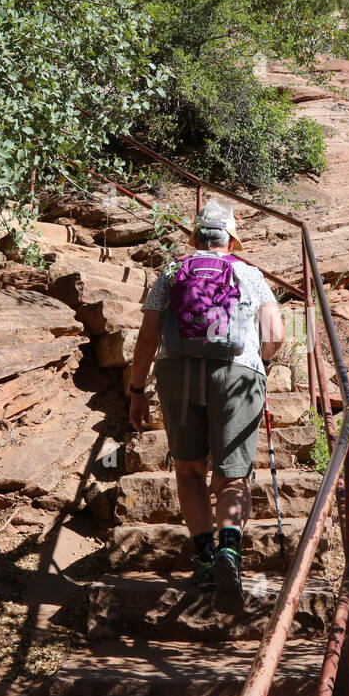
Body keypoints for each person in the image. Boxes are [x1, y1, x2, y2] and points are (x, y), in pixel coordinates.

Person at [127, 199, 284, 614]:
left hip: (177, 372)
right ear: (232, 240)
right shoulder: (249, 274)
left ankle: (204, 559)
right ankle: (229, 553)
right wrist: (262, 364)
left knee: (190, 470)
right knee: (233, 475)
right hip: (238, 374)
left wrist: (136, 389)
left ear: (194, 237)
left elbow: (147, 336)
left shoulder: (171, 271)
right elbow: (276, 332)